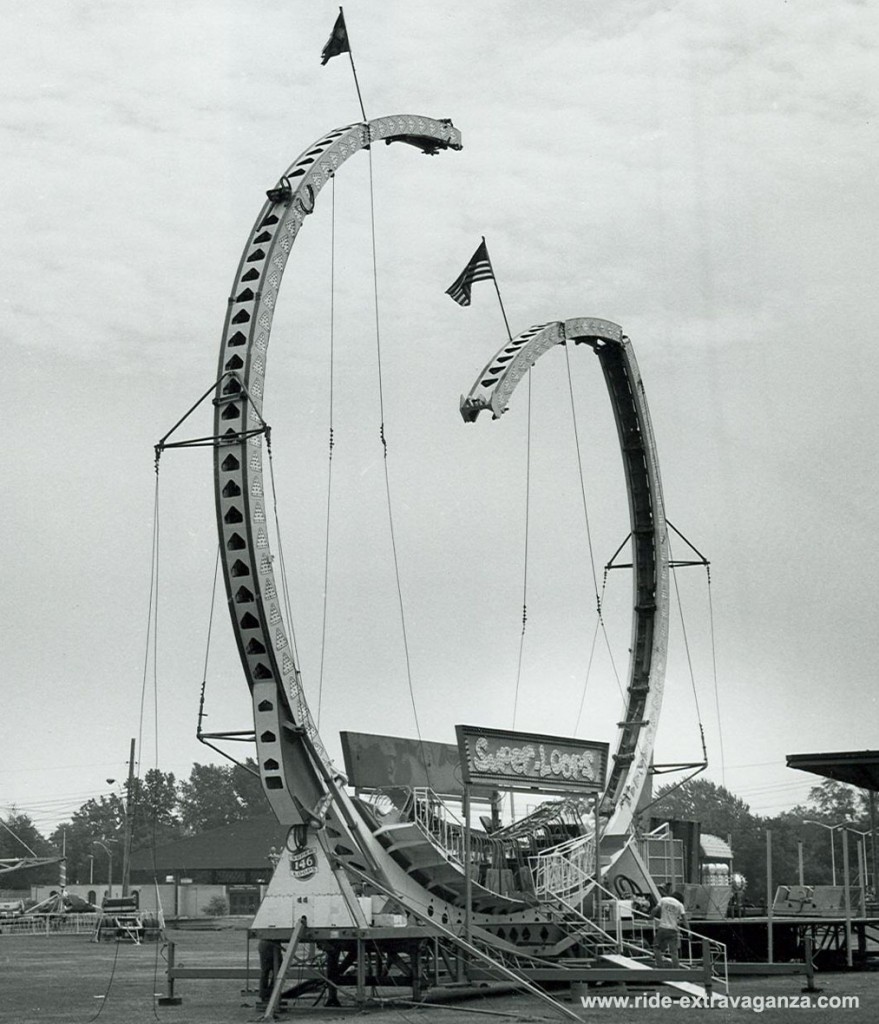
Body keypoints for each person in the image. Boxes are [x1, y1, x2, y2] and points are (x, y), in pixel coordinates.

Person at [652, 890, 687, 968]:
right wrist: (689, 931)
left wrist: (650, 916)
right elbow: (684, 919)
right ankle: (676, 969)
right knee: (674, 952)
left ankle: (660, 966)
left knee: (656, 947)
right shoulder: (680, 905)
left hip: (663, 928)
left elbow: (655, 910)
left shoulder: (663, 900)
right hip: (673, 929)